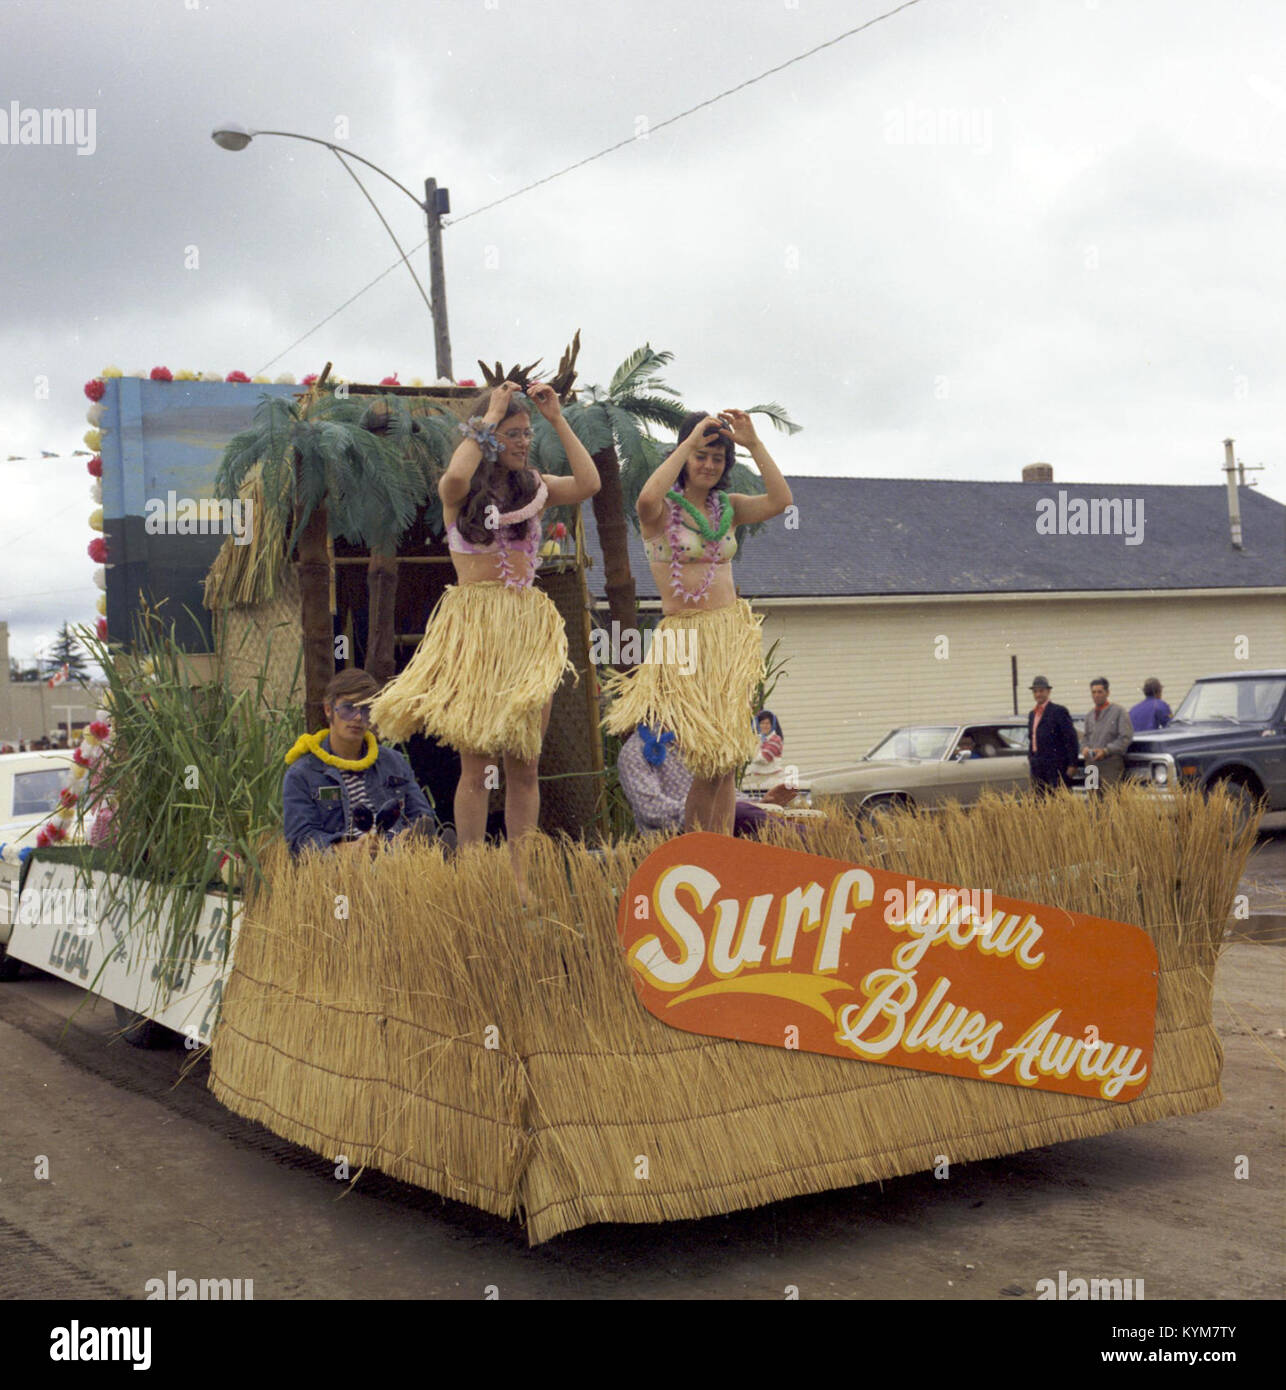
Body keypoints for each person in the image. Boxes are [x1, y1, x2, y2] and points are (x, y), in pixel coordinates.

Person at [368, 380, 600, 893]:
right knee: (476, 766)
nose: (523, 441)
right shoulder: (458, 494)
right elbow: (455, 472)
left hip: (525, 631)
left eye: (526, 433)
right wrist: (490, 414)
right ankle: (473, 876)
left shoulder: (536, 489)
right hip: (477, 632)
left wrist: (557, 418)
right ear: (490, 435)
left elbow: (589, 483)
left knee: (525, 763)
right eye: (512, 433)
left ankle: (521, 878)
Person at [602, 409, 792, 835]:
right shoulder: (661, 513)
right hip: (685, 638)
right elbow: (645, 500)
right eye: (701, 455)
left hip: (728, 637)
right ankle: (694, 850)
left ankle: (719, 848)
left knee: (724, 758)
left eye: (718, 458)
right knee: (705, 753)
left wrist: (754, 445)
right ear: (685, 455)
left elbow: (781, 501)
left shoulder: (729, 507)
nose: (709, 465)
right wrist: (688, 441)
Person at [283, 669, 444, 857]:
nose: (358, 717)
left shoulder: (394, 762)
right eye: (348, 708)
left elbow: (423, 816)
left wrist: (409, 835)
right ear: (328, 710)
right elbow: (300, 840)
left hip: (396, 861)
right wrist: (347, 849)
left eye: (366, 710)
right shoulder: (302, 774)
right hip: (343, 868)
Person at [616, 725, 780, 838]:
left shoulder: (697, 741)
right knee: (744, 814)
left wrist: (760, 804)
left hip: (723, 831)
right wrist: (705, 809)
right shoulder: (633, 752)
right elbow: (652, 810)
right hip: (676, 845)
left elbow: (724, 791)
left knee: (750, 814)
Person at [1026, 676, 1078, 793]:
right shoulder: (1032, 714)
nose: (1038, 694)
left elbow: (1070, 738)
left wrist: (1072, 764)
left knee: (1058, 800)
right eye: (1035, 691)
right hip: (1037, 766)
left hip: (1056, 766)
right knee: (1039, 800)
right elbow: (1032, 738)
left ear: (1048, 692)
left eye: (1041, 691)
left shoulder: (1058, 711)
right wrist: (1031, 757)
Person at [1080, 677, 1134, 787]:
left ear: (1107, 692)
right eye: (1093, 692)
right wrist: (1084, 748)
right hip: (1091, 765)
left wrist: (1106, 751)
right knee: (1092, 799)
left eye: (1100, 692)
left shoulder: (1118, 711)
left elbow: (1126, 737)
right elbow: (1085, 738)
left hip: (1110, 763)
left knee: (1111, 798)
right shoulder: (1090, 715)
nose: (1096, 695)